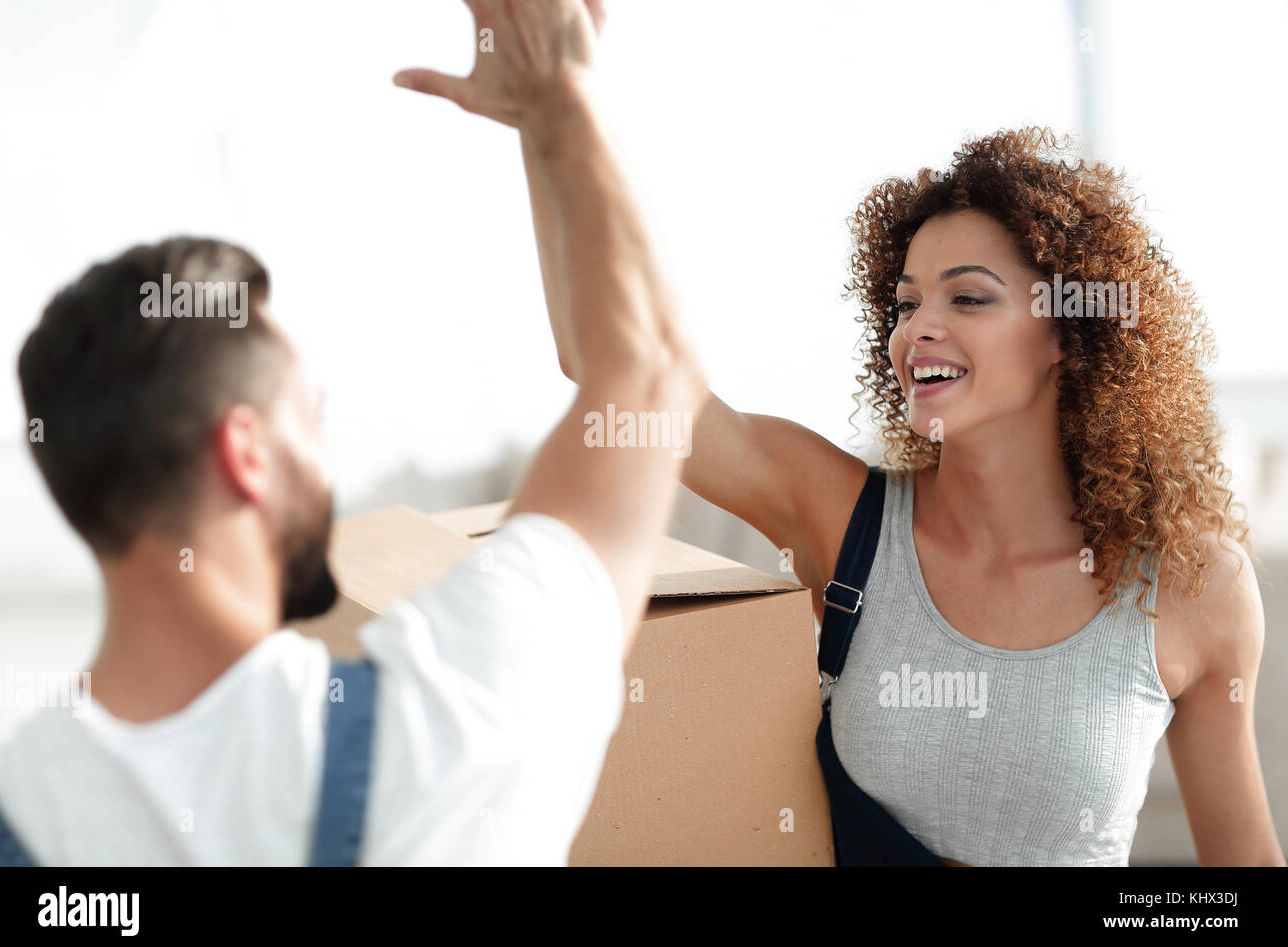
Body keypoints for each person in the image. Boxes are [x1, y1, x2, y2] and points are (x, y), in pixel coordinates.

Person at [0, 0, 707, 865]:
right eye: (311, 415)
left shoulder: (17, 816)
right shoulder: (442, 729)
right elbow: (649, 374)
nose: (327, 455)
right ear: (245, 453)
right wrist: (558, 99)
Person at [541, 124, 1285, 866]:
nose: (917, 330)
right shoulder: (842, 520)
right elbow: (601, 359)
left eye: (967, 298)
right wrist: (551, 119)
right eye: (904, 305)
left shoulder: (1195, 586)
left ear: (1066, 333)